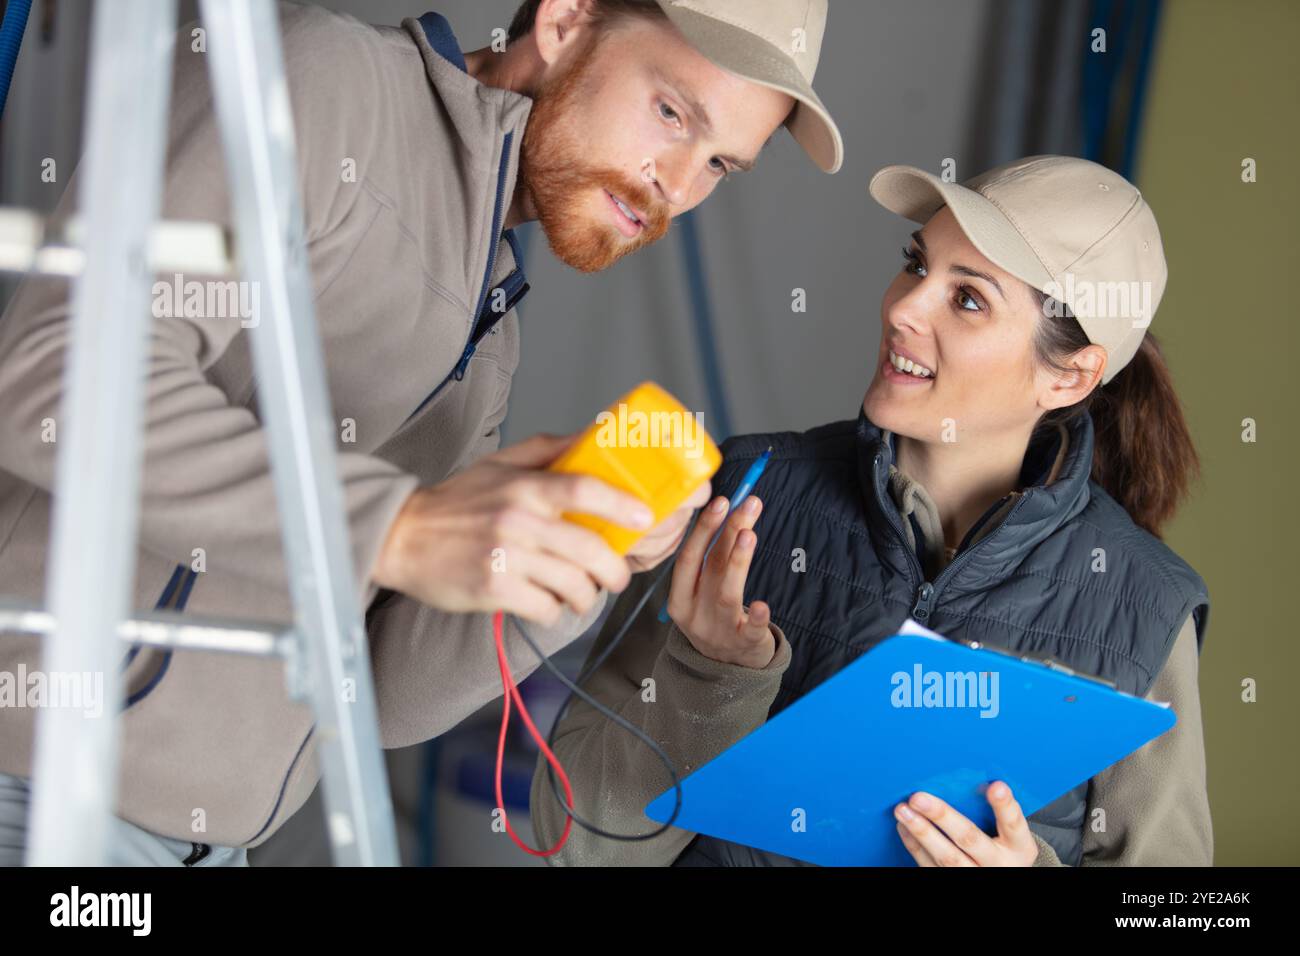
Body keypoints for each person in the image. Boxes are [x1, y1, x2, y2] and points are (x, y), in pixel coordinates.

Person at [0, 0, 843, 865]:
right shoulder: (327, 81)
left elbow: (382, 696)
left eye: (720, 165)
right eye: (672, 113)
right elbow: (56, 378)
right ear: (564, 22)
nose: (678, 184)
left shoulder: (492, 318)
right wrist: (398, 530)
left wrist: (582, 557)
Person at [532, 155, 1213, 867]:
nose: (902, 308)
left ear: (1070, 375)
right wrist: (707, 676)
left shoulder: (1147, 608)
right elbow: (577, 844)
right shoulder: (744, 497)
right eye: (916, 265)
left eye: (969, 298)